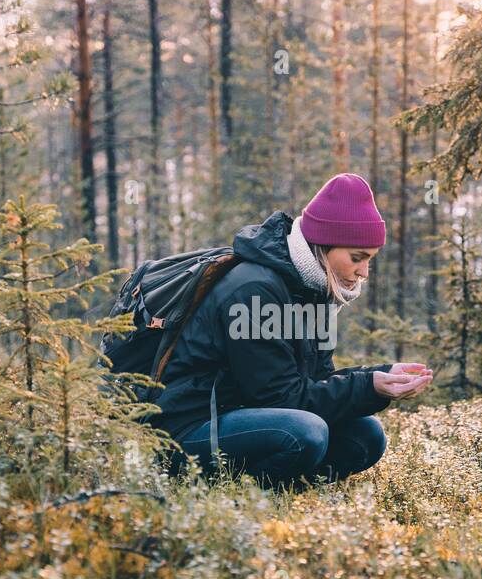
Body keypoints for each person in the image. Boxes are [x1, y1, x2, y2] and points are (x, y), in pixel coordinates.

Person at [153, 173, 434, 488]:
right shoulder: (255, 291)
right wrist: (368, 387)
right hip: (190, 431)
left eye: (369, 260)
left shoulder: (314, 290)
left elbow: (315, 382)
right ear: (323, 246)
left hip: (245, 419)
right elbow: (280, 398)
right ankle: (236, 499)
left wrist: (381, 376)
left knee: (366, 436)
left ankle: (288, 495)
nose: (364, 272)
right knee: (305, 433)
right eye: (357, 258)